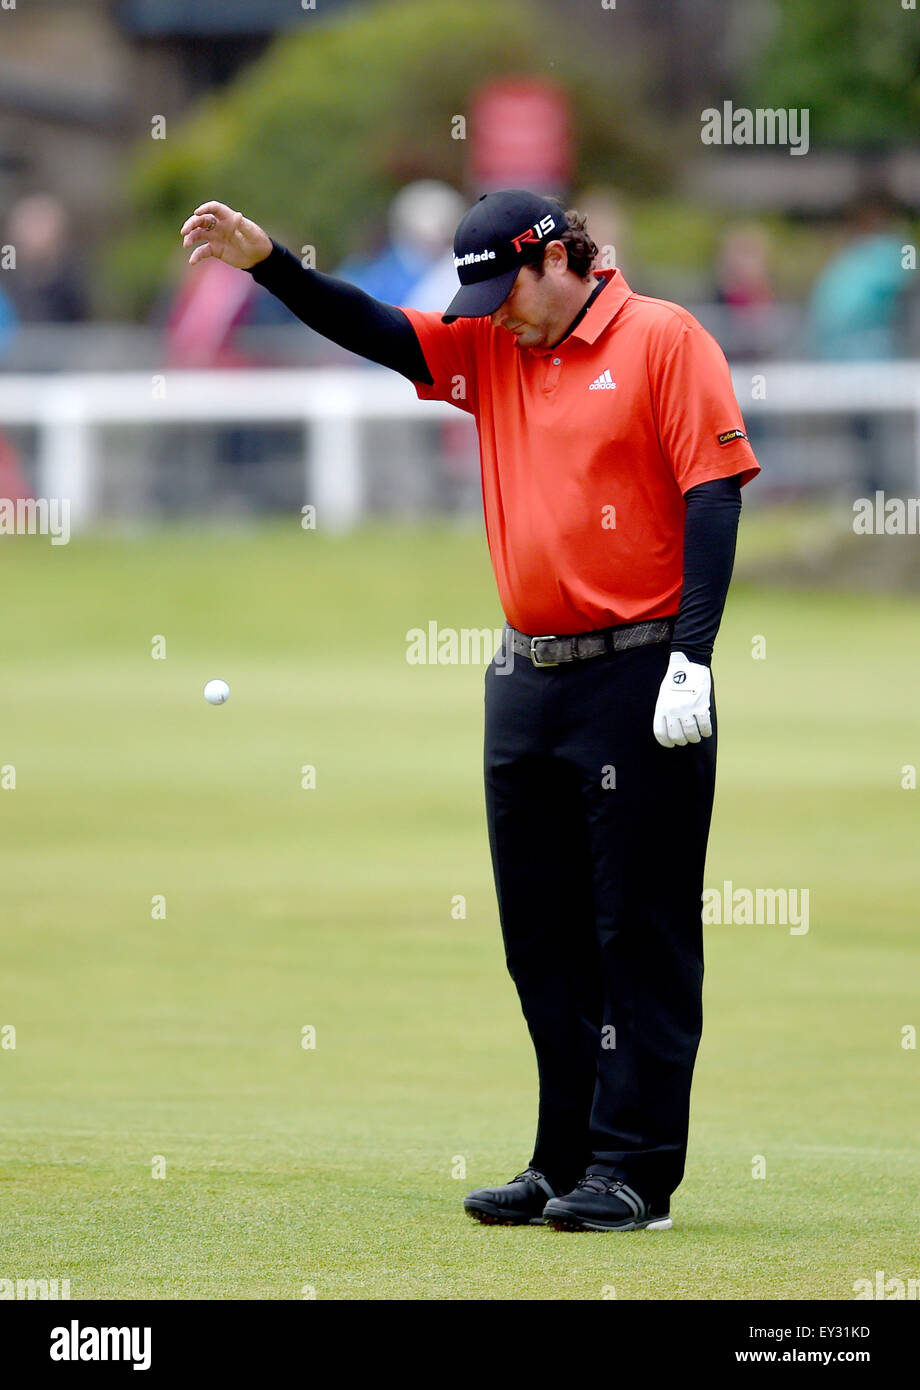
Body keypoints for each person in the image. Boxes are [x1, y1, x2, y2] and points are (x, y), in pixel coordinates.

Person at [179, 190, 760, 1232]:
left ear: (557, 257)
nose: (493, 315)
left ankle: (635, 1175)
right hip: (526, 679)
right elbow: (374, 328)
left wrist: (693, 659)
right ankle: (563, 1154)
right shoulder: (494, 347)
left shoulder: (664, 338)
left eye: (506, 291)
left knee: (639, 932)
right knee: (541, 935)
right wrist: (267, 260)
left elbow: (712, 489)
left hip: (638, 674)